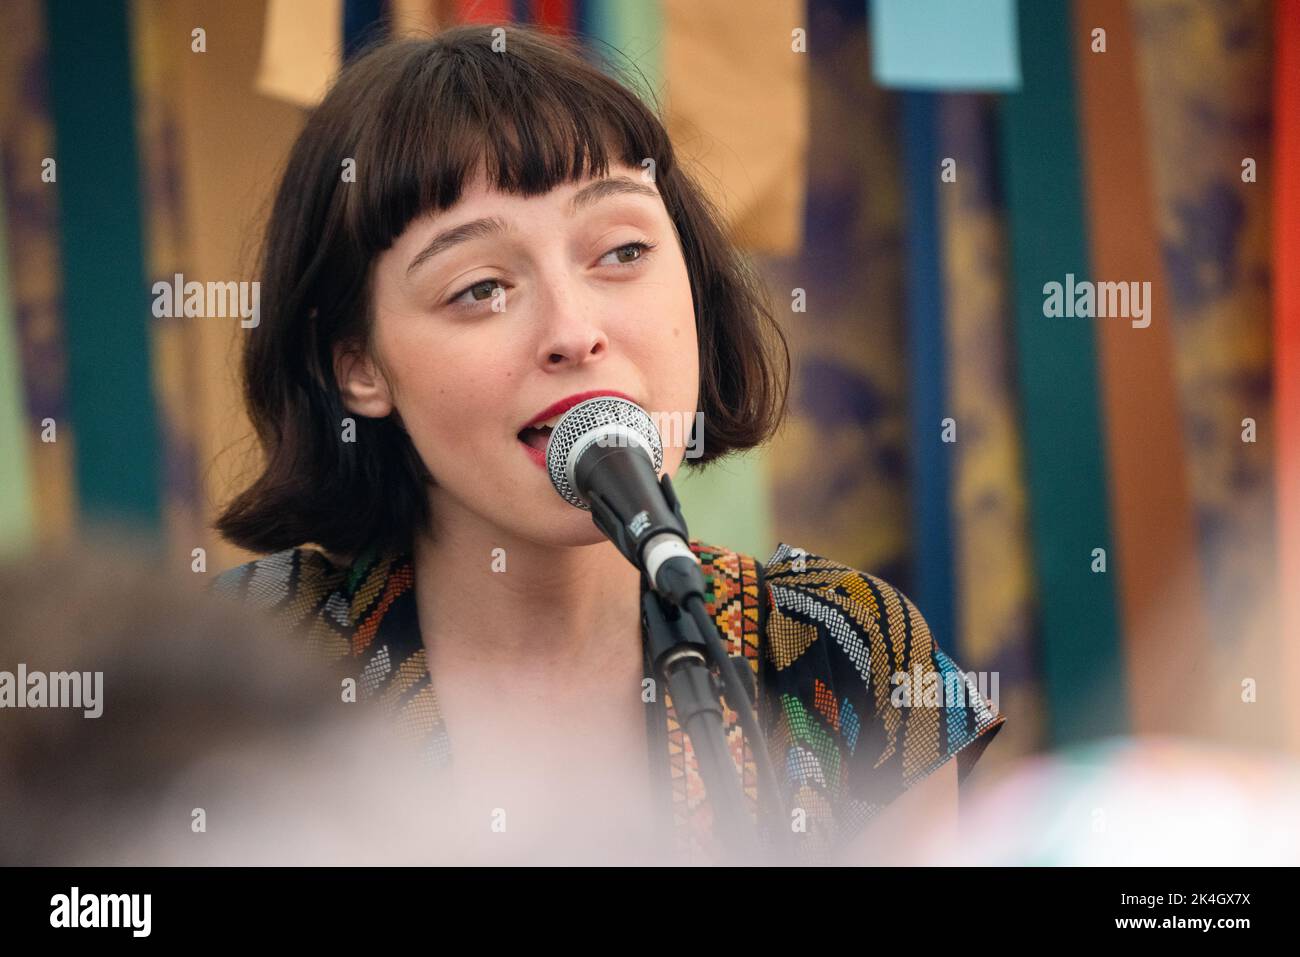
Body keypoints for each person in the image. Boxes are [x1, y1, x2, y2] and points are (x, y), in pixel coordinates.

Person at [212, 22, 1005, 866]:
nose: (573, 330)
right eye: (480, 288)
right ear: (358, 366)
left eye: (622, 250)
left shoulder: (849, 650)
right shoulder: (235, 669)